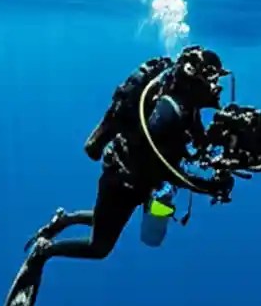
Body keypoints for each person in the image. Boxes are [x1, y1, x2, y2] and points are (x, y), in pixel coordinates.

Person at [18, 45, 236, 284]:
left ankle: (64, 219)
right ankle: (43, 251)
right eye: (213, 80)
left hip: (140, 182)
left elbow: (197, 143)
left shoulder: (187, 109)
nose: (217, 88)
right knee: (99, 247)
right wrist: (205, 186)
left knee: (113, 219)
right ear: (197, 79)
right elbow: (162, 167)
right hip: (122, 181)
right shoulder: (169, 112)